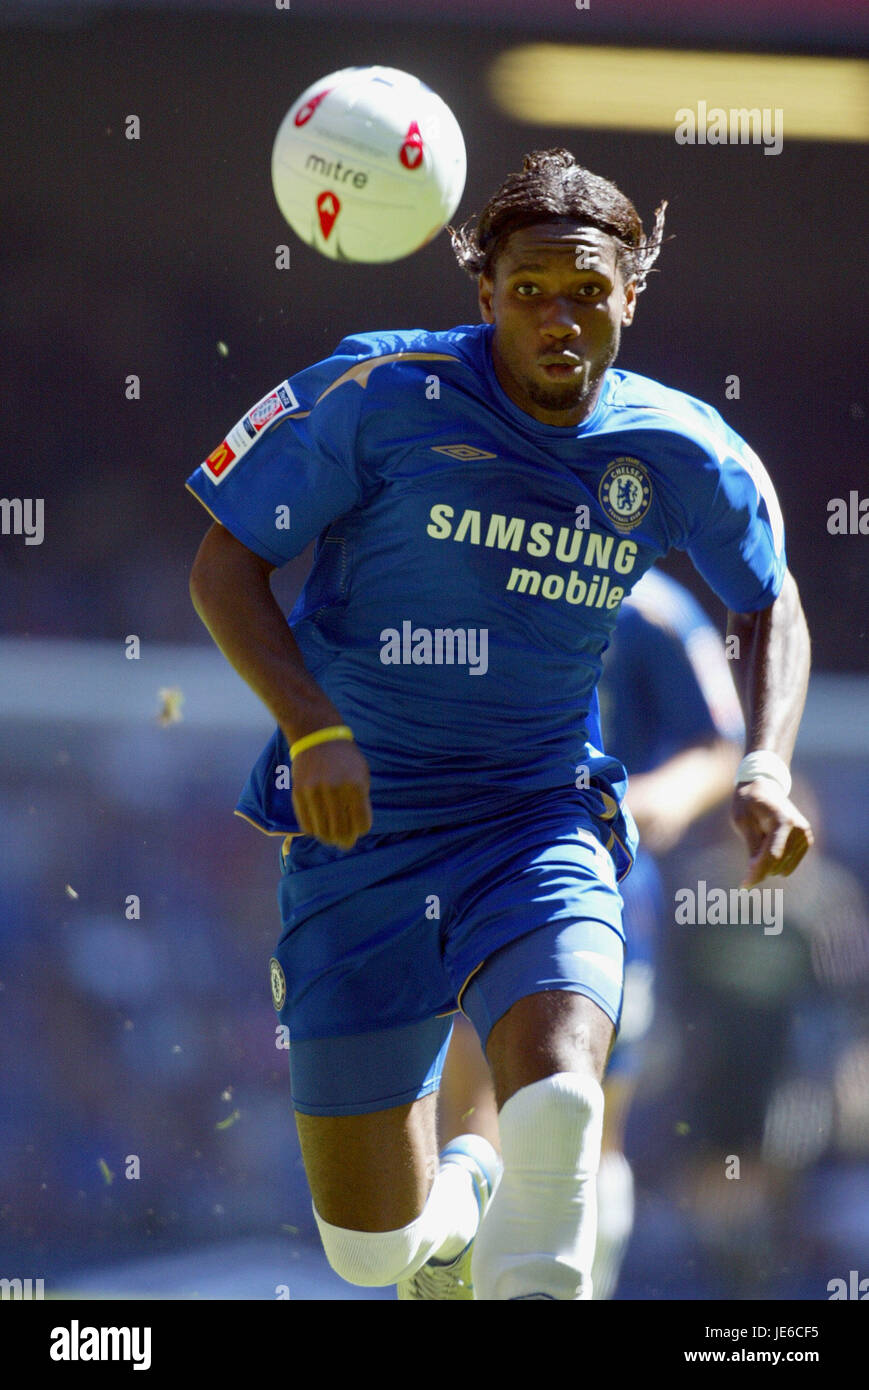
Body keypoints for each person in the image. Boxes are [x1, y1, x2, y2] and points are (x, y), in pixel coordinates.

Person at [187, 149, 813, 1300]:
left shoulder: (680, 449)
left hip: (537, 818)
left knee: (567, 1094)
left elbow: (766, 597)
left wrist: (765, 762)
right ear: (484, 294)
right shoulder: (376, 395)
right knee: (368, 1251)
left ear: (629, 294)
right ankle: (461, 1193)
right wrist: (313, 728)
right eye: (529, 289)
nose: (558, 318)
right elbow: (227, 565)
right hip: (358, 835)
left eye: (587, 291)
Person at [436, 566, 745, 1299]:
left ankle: (578, 1284)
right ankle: (459, 1274)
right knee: (469, 1087)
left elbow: (719, 741)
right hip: (471, 873)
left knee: (587, 1108)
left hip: (602, 888)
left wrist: (651, 800)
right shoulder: (461, 578)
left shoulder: (651, 611)